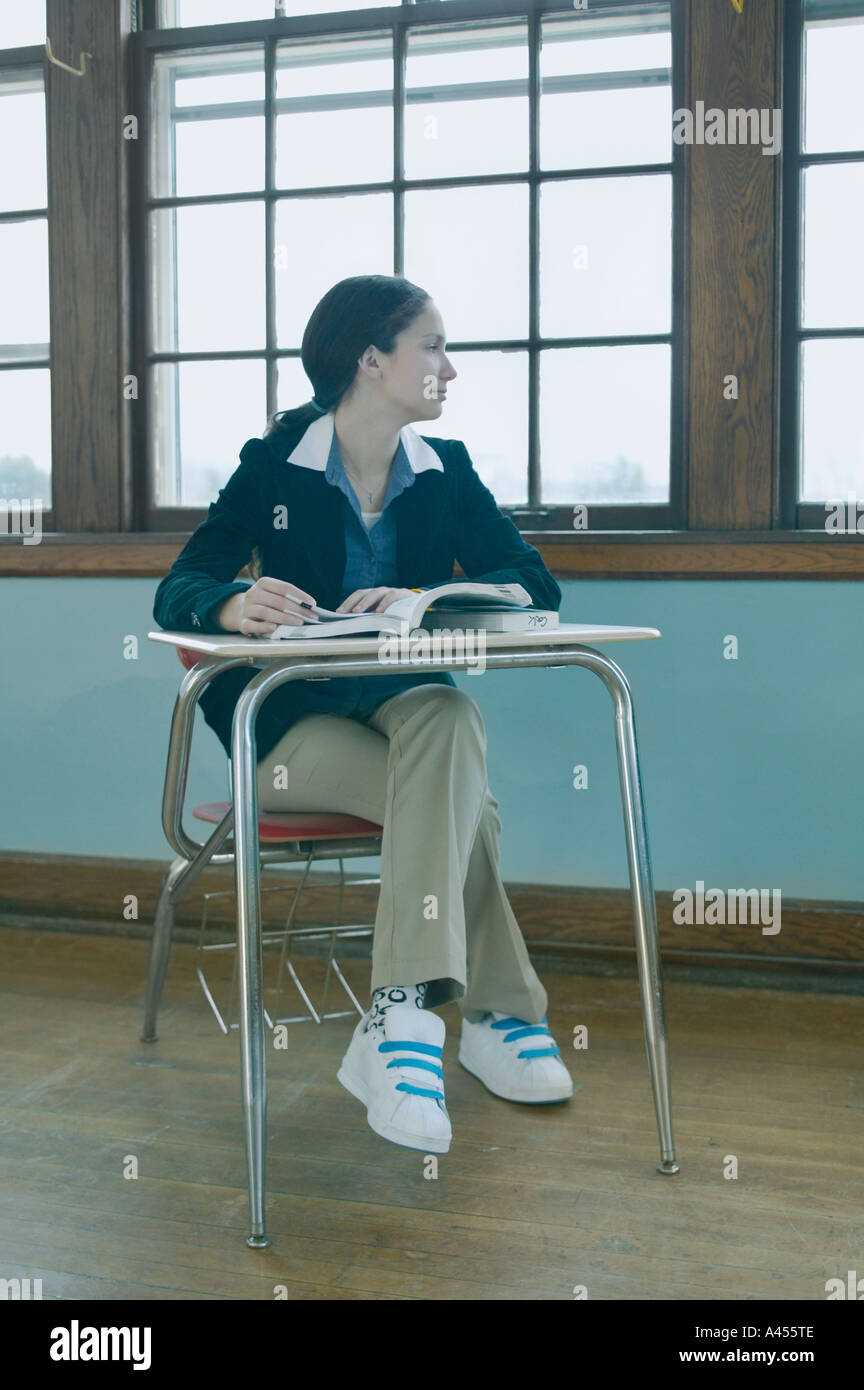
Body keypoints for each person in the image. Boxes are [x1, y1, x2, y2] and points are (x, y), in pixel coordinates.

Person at [153, 273, 574, 1156]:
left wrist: (423, 594)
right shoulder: (272, 462)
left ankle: (398, 1020)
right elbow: (181, 585)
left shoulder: (446, 472)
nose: (450, 369)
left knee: (451, 727)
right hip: (286, 735)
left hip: (407, 712)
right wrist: (233, 606)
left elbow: (535, 586)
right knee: (467, 803)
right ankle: (498, 1013)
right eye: (434, 347)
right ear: (371, 361)